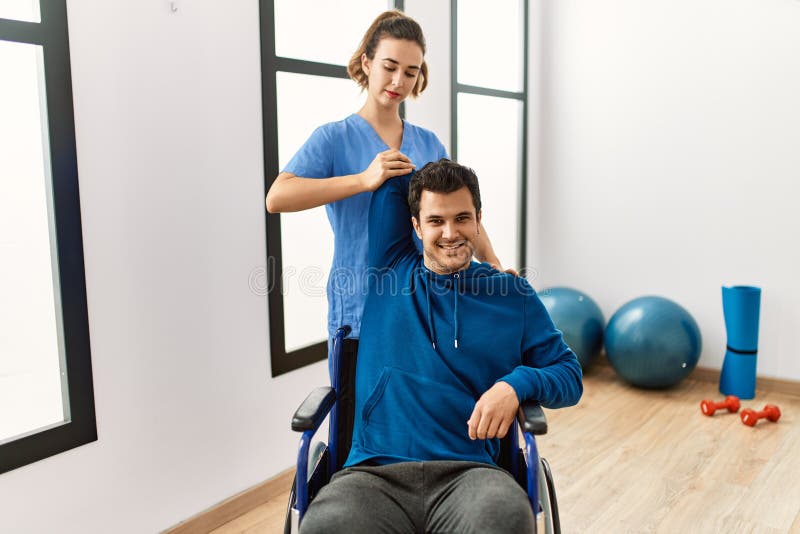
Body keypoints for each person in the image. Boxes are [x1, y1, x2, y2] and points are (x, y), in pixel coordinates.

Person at [299, 159, 584, 533]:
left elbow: (569, 376)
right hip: (374, 476)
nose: (451, 233)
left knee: (507, 522)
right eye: (435, 221)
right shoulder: (390, 270)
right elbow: (394, 177)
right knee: (324, 528)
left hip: (472, 476)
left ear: (479, 220)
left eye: (463, 218)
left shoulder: (512, 294)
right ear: (415, 226)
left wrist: (516, 384)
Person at [265, 10, 505, 357]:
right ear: (367, 63)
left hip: (425, 307)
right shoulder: (334, 138)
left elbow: (460, 214)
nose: (398, 82)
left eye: (410, 72)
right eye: (389, 67)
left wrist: (493, 261)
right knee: (357, 409)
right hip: (359, 312)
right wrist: (363, 180)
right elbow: (277, 197)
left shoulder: (429, 144)